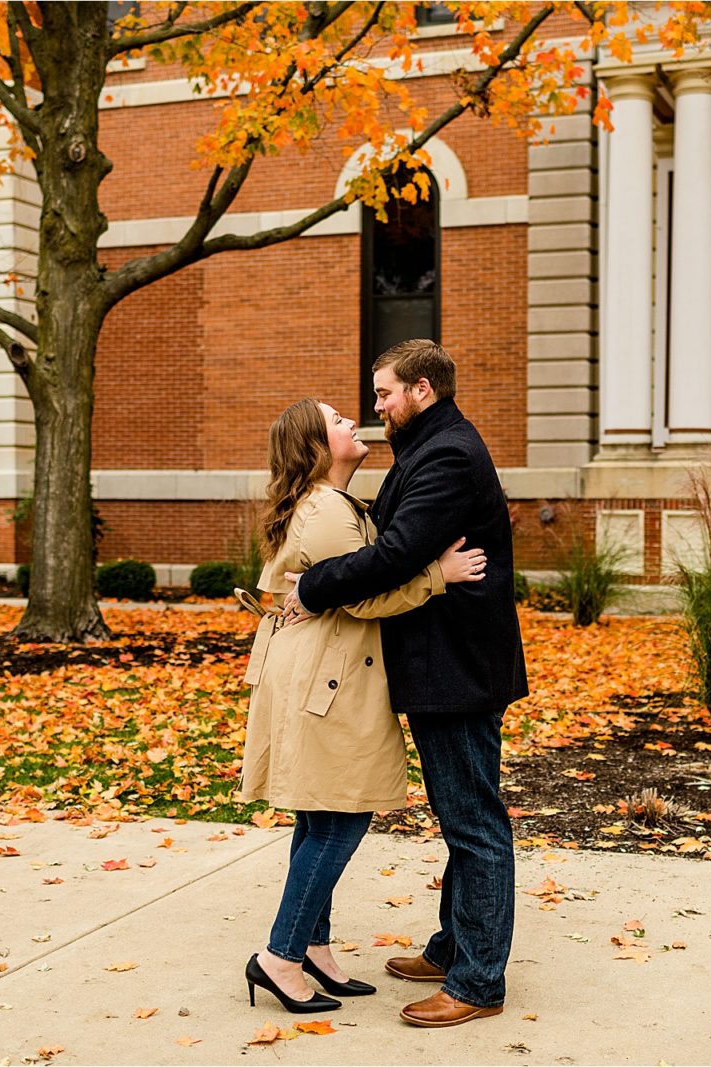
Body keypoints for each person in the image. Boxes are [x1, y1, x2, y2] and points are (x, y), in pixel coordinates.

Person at [286, 339, 528, 1029]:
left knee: (474, 822)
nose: (377, 405)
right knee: (464, 817)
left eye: (386, 392)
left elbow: (393, 554)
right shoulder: (428, 446)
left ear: (422, 389)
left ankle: (478, 980)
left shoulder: (447, 453)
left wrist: (312, 587)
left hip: (457, 669)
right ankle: (454, 946)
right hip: (445, 665)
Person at [240, 396, 486, 1014]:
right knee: (341, 817)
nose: (354, 420)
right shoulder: (327, 510)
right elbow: (362, 596)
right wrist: (440, 575)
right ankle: (280, 957)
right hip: (329, 678)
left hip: (324, 670)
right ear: (317, 446)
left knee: (320, 815)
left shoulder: (337, 504)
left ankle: (312, 948)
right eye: (337, 420)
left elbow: (339, 585)